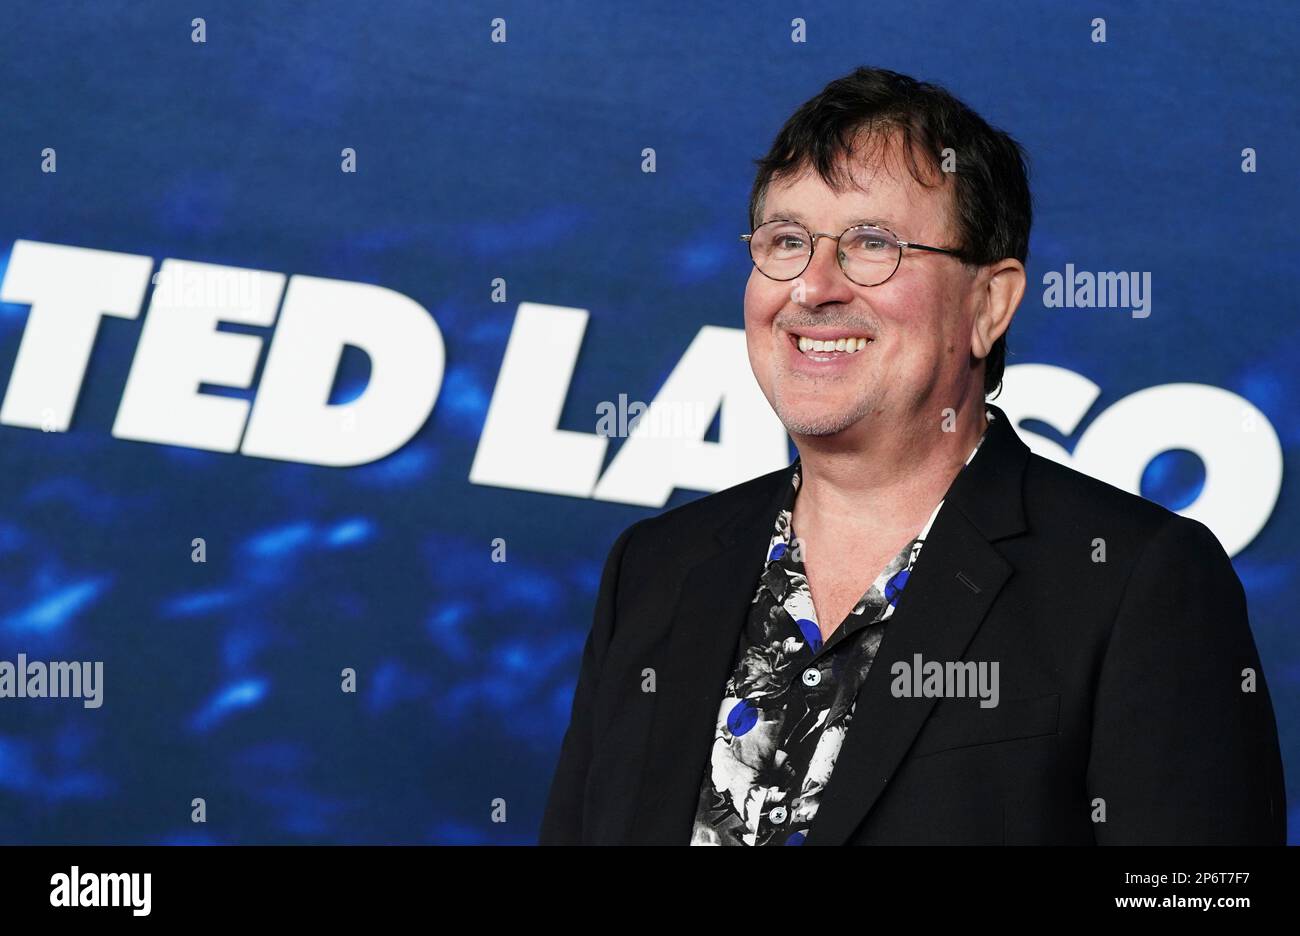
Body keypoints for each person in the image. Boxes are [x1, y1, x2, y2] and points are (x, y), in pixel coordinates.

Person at [539, 66, 1285, 845]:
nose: (812, 287)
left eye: (871, 243)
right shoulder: (654, 569)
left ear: (988, 304)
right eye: (787, 241)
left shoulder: (1136, 583)